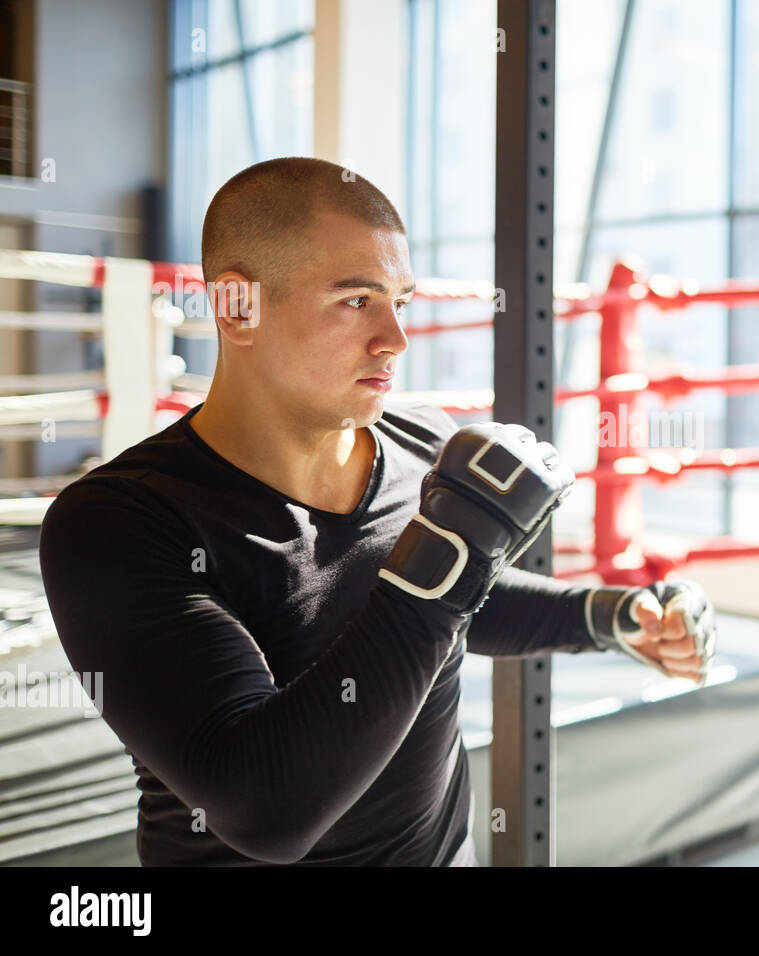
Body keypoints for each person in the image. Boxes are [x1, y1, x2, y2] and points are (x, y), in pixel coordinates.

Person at [37, 157, 717, 867]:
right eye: (357, 300)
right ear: (238, 307)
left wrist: (608, 617)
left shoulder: (423, 442)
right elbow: (264, 809)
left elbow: (455, 604)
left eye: (402, 300)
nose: (395, 338)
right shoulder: (121, 521)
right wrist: (448, 559)